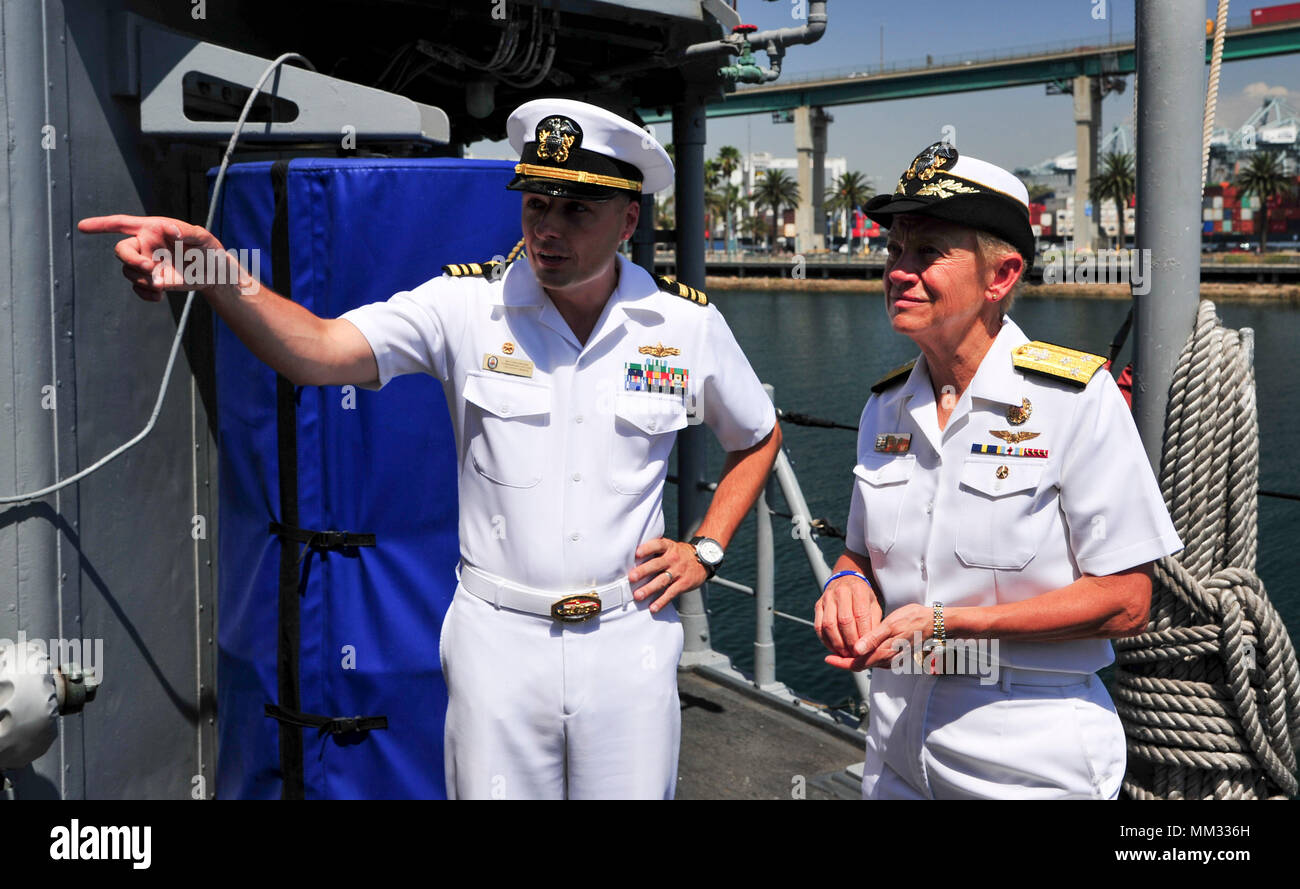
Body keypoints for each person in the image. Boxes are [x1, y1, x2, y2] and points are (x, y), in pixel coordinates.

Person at [79, 98, 781, 800]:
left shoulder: (682, 324)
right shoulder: (465, 307)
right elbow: (320, 351)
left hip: (628, 641)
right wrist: (216, 272)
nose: (548, 229)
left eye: (576, 211)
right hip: (499, 646)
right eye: (536, 204)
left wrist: (706, 548)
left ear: (628, 220)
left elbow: (755, 433)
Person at [813, 142, 1182, 800]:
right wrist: (846, 580)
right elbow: (861, 552)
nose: (899, 270)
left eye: (927, 253)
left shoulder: (1074, 400)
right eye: (894, 250)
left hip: (1029, 751)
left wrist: (949, 625)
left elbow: (1128, 600)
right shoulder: (884, 407)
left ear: (1001, 276)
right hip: (895, 739)